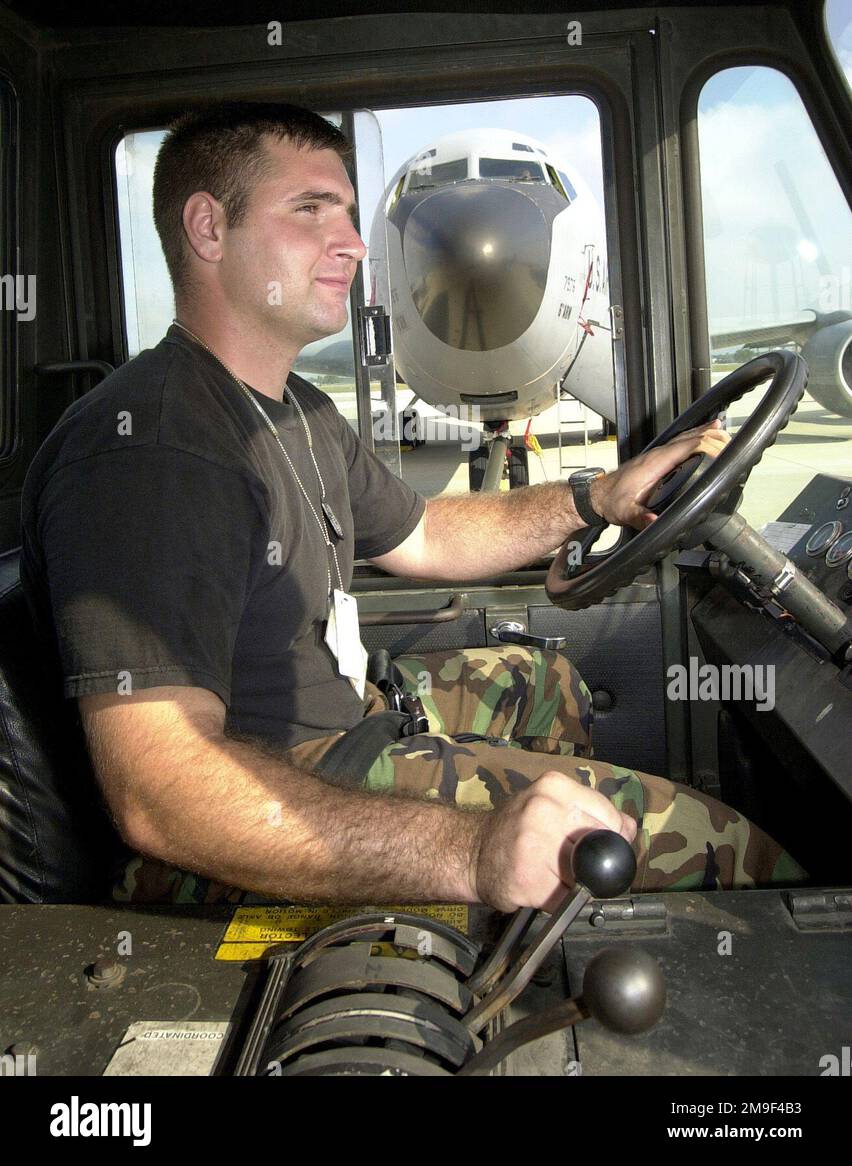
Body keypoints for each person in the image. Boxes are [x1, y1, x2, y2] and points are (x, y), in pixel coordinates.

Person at [21, 102, 807, 912]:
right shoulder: (148, 453)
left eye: (352, 216)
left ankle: (550, 937)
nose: (356, 244)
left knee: (549, 683)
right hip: (265, 801)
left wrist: (593, 497)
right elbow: (162, 793)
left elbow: (427, 534)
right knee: (726, 847)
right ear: (208, 229)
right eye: (311, 209)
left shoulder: (293, 407)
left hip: (346, 722)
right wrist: (472, 854)